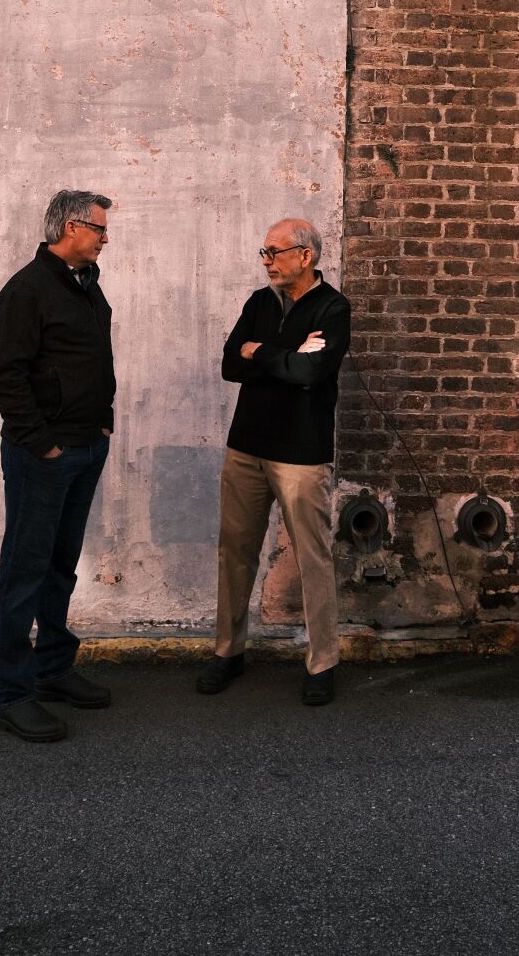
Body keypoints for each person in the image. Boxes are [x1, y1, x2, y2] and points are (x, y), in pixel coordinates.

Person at [198, 217, 351, 705]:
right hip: (246, 446)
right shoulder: (259, 302)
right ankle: (228, 651)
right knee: (234, 551)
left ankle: (323, 661)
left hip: (301, 454)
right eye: (263, 253)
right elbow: (228, 364)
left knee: (313, 558)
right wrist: (282, 355)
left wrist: (259, 351)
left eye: (274, 252)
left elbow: (311, 372)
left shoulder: (333, 307)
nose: (266, 262)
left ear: (305, 256)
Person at [0, 189, 116, 742]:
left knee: (61, 564)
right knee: (25, 571)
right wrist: (42, 445)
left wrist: (104, 420)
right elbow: (9, 378)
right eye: (99, 229)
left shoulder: (86, 287)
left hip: (87, 445)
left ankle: (52, 668)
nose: (105, 237)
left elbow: (94, 360)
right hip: (45, 456)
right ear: (70, 226)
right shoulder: (27, 290)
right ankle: (13, 694)